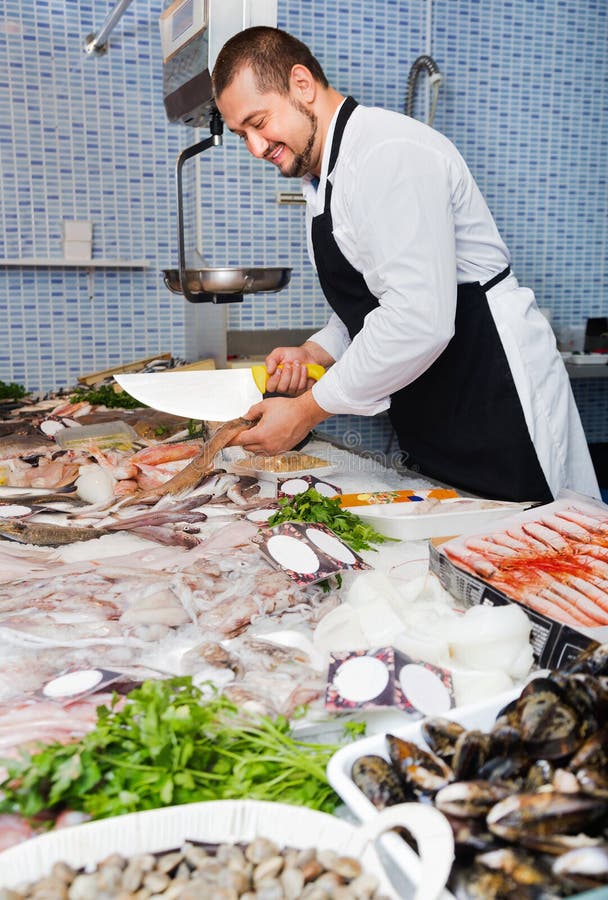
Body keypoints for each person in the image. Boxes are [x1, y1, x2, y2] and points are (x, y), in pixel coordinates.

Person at [212, 26, 599, 502]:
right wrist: (317, 352)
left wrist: (307, 410)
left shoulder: (385, 155)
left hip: (494, 394)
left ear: (302, 84)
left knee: (535, 552)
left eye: (259, 122)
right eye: (241, 134)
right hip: (439, 400)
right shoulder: (326, 175)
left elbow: (418, 319)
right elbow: (378, 294)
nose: (255, 147)